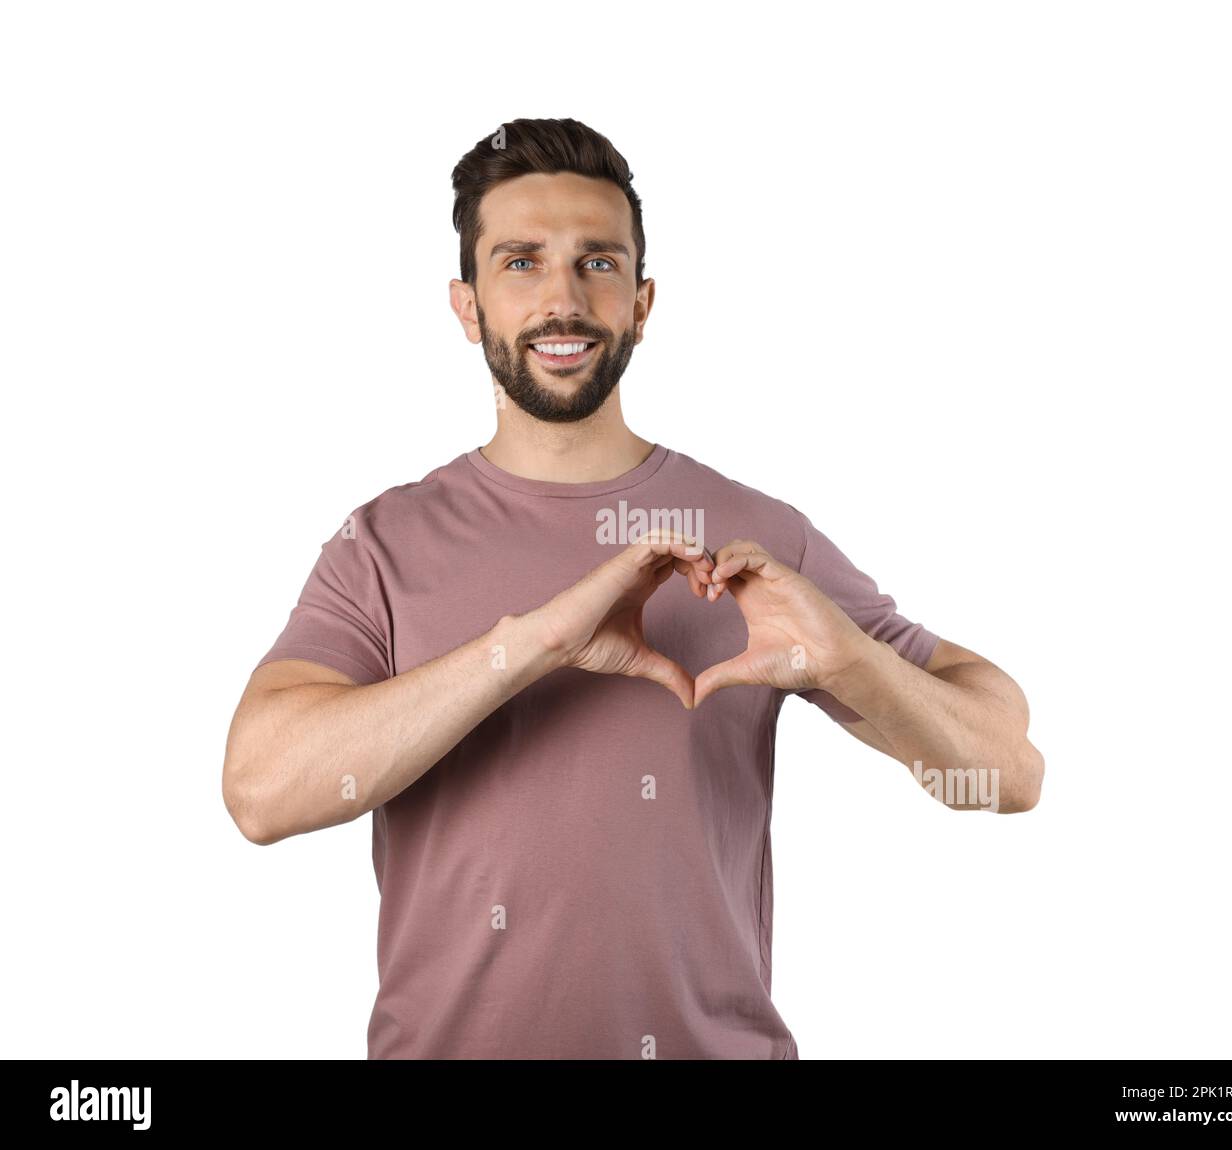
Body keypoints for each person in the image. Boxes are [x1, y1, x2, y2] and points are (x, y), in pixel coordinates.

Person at [222, 117, 1045, 1060]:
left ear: (644, 302)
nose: (562, 300)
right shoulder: (382, 544)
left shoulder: (757, 536)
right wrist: (532, 644)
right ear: (467, 304)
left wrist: (849, 659)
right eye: (521, 262)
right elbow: (259, 792)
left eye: (598, 264)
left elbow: (1007, 770)